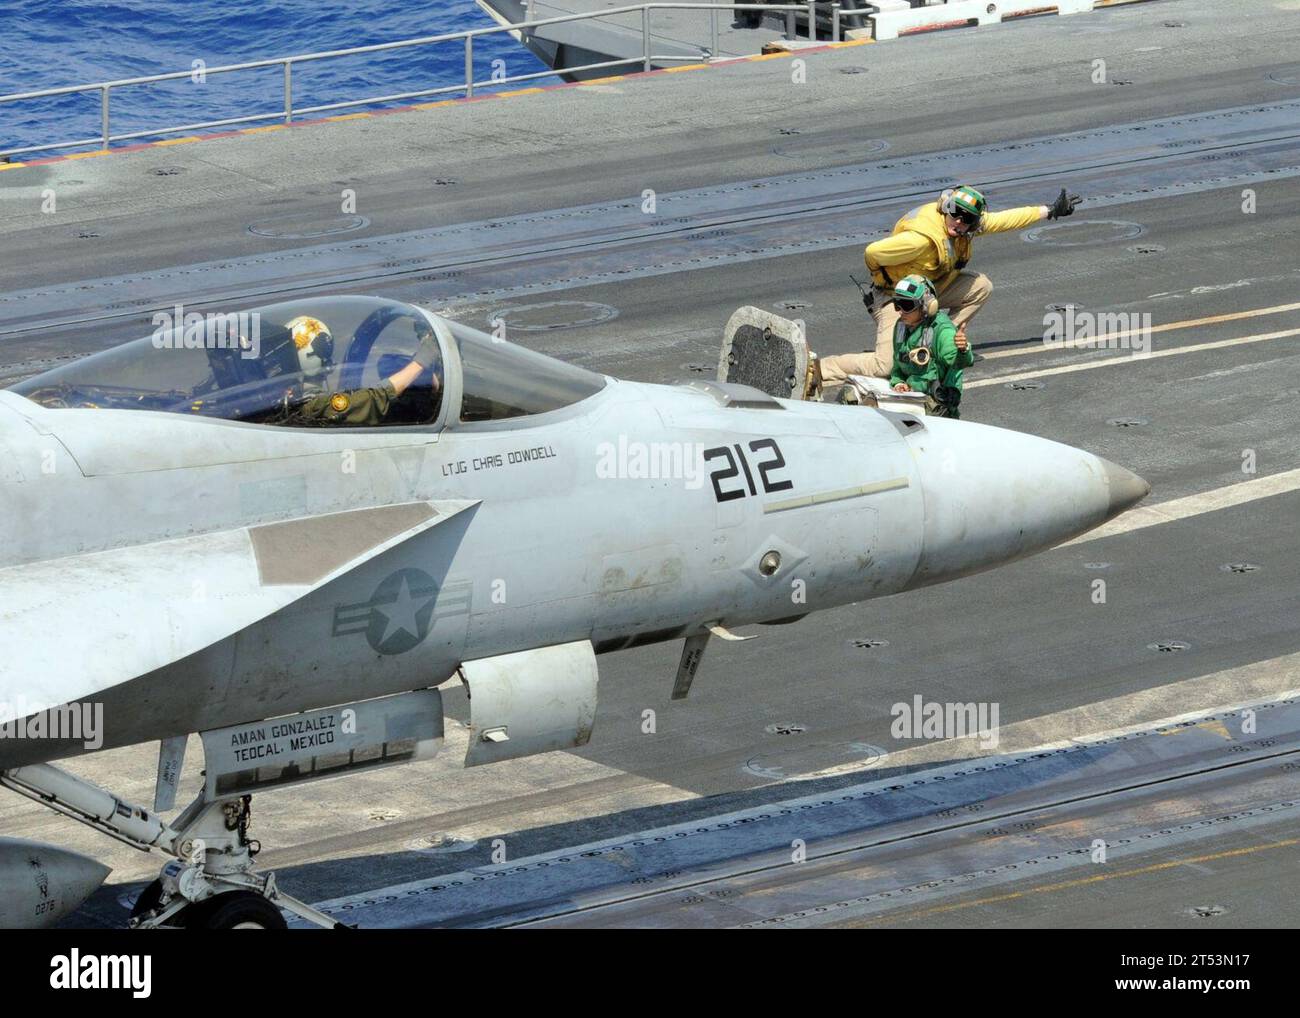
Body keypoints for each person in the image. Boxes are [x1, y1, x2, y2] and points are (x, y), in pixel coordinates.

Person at [818, 185, 1080, 385]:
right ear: (946, 208)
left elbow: (1003, 220)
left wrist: (1049, 210)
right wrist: (884, 280)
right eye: (956, 215)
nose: (960, 222)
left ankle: (932, 345)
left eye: (968, 220)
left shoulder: (966, 225)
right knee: (884, 367)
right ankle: (822, 368)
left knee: (981, 286)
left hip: (930, 290)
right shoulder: (921, 240)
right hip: (896, 299)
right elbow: (873, 252)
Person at [283, 315, 442, 426]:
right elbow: (374, 400)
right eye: (325, 350)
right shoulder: (315, 406)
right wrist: (421, 361)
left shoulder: (286, 397)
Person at [885, 275, 974, 418]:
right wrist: (898, 383)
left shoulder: (942, 329)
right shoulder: (901, 326)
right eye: (897, 304)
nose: (900, 311)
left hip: (936, 409)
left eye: (907, 305)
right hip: (910, 401)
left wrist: (963, 349)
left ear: (926, 305)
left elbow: (957, 361)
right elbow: (898, 365)